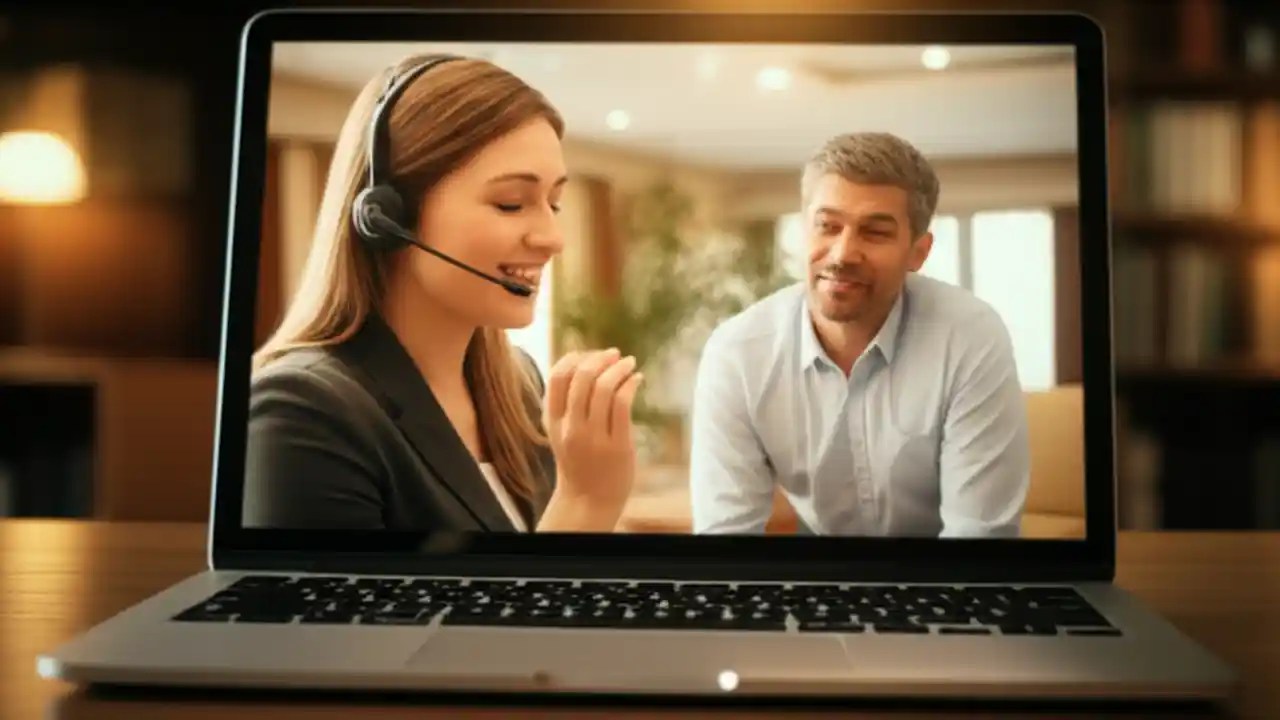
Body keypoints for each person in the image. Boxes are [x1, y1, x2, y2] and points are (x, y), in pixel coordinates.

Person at [243, 54, 643, 532]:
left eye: (554, 204)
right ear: (387, 216)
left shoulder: (519, 385)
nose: (553, 237)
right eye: (511, 203)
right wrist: (586, 503)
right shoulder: (301, 411)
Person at [689, 131, 1029, 538]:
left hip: (940, 576)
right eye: (827, 226)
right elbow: (727, 540)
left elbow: (979, 539)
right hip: (817, 574)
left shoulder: (970, 337)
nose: (842, 254)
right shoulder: (738, 353)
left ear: (918, 252)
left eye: (875, 232)